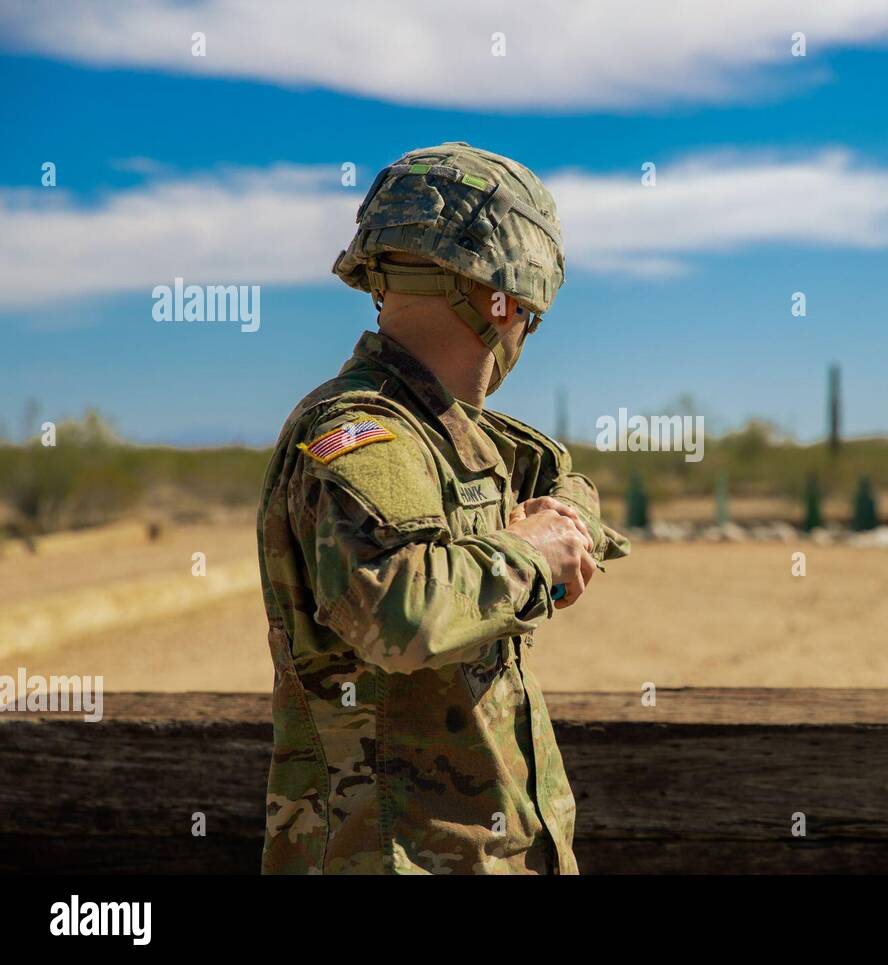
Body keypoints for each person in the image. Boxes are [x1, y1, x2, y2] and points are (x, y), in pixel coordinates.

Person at [256, 142, 628, 874]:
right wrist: (532, 555)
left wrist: (559, 528)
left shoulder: (452, 436)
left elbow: (557, 480)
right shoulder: (358, 433)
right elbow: (401, 615)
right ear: (511, 299)